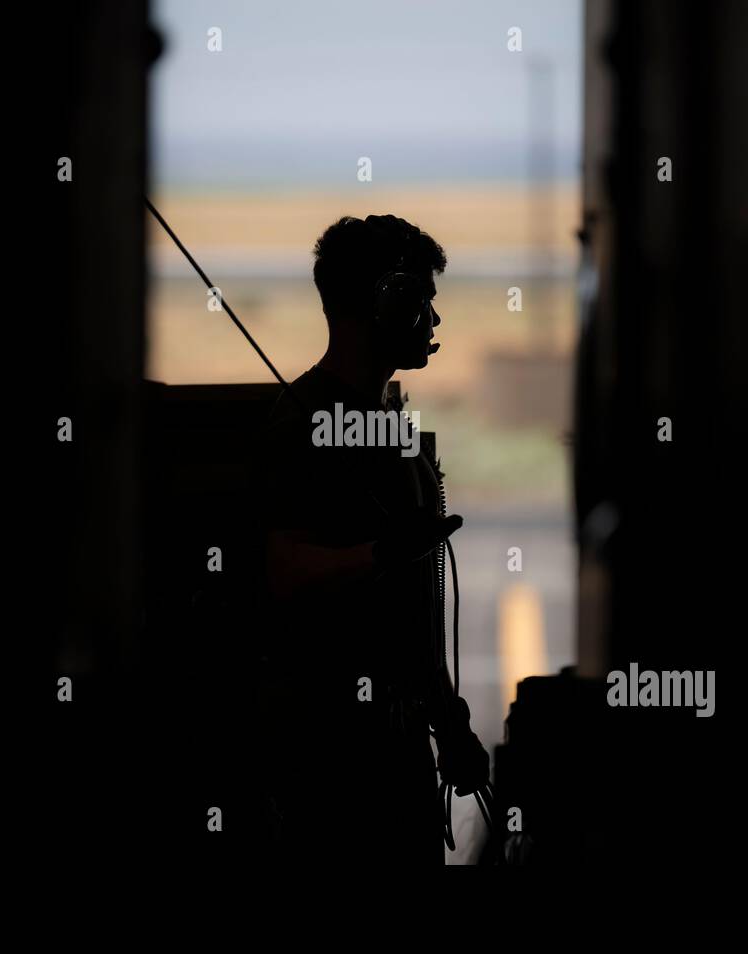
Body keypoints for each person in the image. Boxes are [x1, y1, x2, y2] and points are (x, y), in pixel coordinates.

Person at [248, 214, 488, 866]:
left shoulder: (389, 428)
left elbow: (412, 606)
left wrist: (449, 723)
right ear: (388, 302)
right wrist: (378, 555)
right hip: (334, 759)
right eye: (422, 300)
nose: (433, 320)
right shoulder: (300, 425)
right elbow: (285, 570)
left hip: (398, 745)